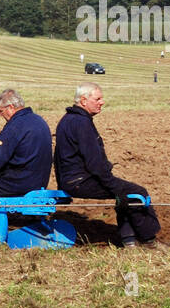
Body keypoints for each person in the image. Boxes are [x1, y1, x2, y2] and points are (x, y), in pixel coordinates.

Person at [55, 83, 163, 247]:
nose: (102, 102)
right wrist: (112, 183)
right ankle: (149, 240)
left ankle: (129, 240)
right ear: (83, 100)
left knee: (124, 193)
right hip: (80, 181)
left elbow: (57, 158)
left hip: (72, 179)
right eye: (98, 98)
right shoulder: (81, 123)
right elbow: (95, 163)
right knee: (135, 193)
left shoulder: (68, 119)